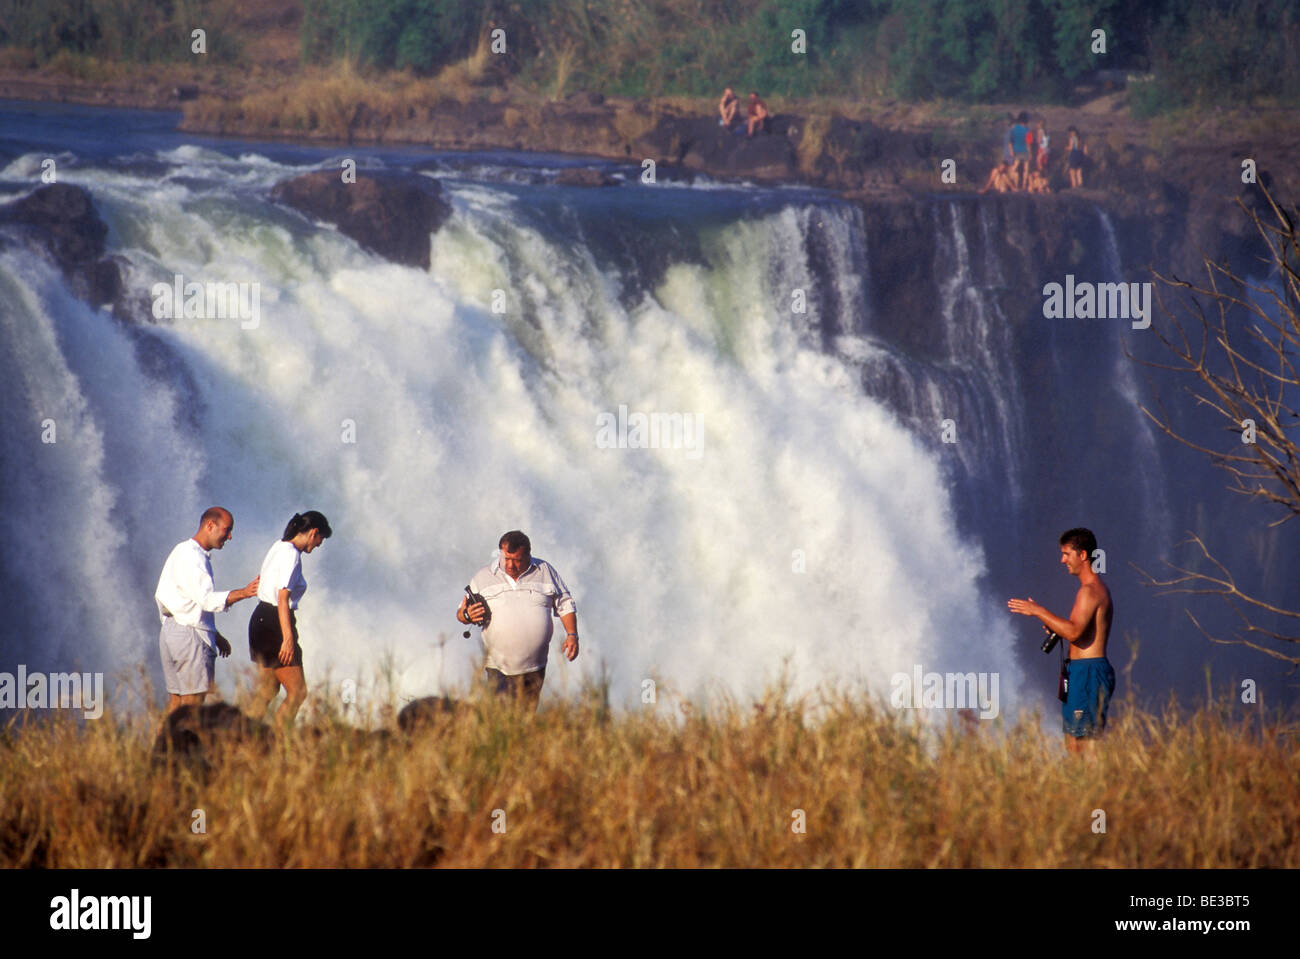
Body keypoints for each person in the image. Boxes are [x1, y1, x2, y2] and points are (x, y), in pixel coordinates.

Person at [1007, 528, 1114, 754]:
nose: (1062, 559)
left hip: (1088, 673)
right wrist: (1054, 625)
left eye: (1067, 554)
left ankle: (1098, 789)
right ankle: (1080, 789)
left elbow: (1074, 632)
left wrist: (1037, 610)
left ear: (1083, 555)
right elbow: (1077, 630)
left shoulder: (1090, 591)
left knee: (1085, 747)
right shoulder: (1091, 590)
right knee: (1073, 747)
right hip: (1079, 673)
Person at [456, 530, 578, 712]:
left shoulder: (544, 570)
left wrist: (572, 635)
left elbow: (565, 604)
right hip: (498, 667)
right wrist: (467, 615)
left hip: (535, 667)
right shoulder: (483, 576)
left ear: (529, 555)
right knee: (501, 718)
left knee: (525, 718)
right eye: (507, 559)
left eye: (517, 560)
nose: (511, 565)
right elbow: (461, 612)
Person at [155, 507, 259, 714]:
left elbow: (177, 599)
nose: (229, 537)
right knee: (192, 708)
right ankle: (186, 747)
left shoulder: (180, 550)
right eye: (227, 530)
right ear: (210, 525)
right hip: (189, 636)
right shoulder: (195, 557)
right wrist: (245, 593)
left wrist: (214, 633)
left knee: (176, 705)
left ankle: (162, 746)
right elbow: (206, 600)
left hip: (171, 631)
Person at [245, 511, 332, 730]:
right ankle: (278, 741)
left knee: (267, 690)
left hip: (260, 619)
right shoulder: (291, 554)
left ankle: (242, 735)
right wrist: (288, 638)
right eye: (321, 539)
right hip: (275, 621)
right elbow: (282, 599)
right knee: (298, 691)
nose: (319, 545)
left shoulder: (278, 546)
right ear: (313, 533)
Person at [1008, 111, 1030, 190]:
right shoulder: (1027, 130)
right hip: (1025, 151)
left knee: (1015, 167)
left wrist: (1011, 151)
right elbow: (1028, 143)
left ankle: (1010, 180)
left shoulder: (1014, 128)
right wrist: (1030, 153)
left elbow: (1010, 140)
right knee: (1026, 169)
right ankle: (1024, 185)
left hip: (1016, 150)